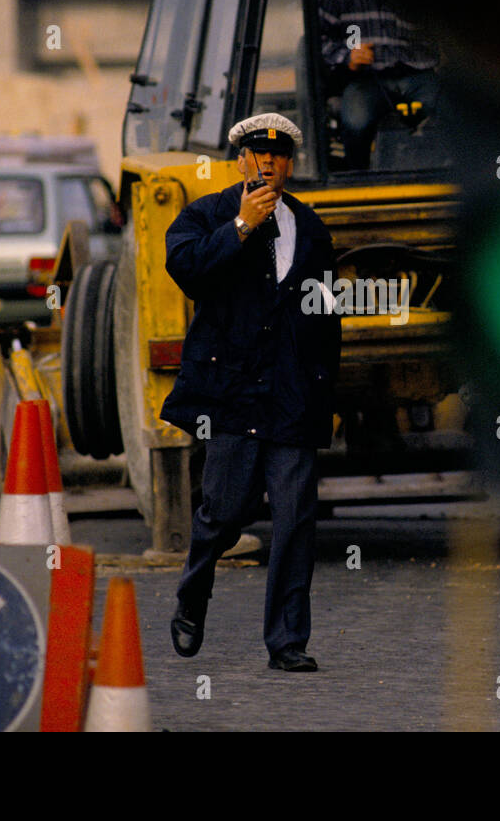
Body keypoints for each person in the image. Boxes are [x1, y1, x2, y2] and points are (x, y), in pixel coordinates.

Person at [162, 112, 342, 672]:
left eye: (281, 156)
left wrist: (324, 398)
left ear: (291, 165)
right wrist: (239, 227)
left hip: (291, 397)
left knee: (295, 518)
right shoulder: (205, 215)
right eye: (260, 156)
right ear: (240, 161)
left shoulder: (310, 230)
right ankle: (194, 592)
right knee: (224, 512)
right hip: (232, 395)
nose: (270, 164)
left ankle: (287, 642)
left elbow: (324, 315)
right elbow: (185, 268)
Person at [318, 0, 440, 169]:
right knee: (356, 120)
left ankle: (446, 179)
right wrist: (347, 57)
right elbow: (321, 40)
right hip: (367, 79)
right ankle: (357, 180)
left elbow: (444, 22)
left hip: (417, 71)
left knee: (452, 112)